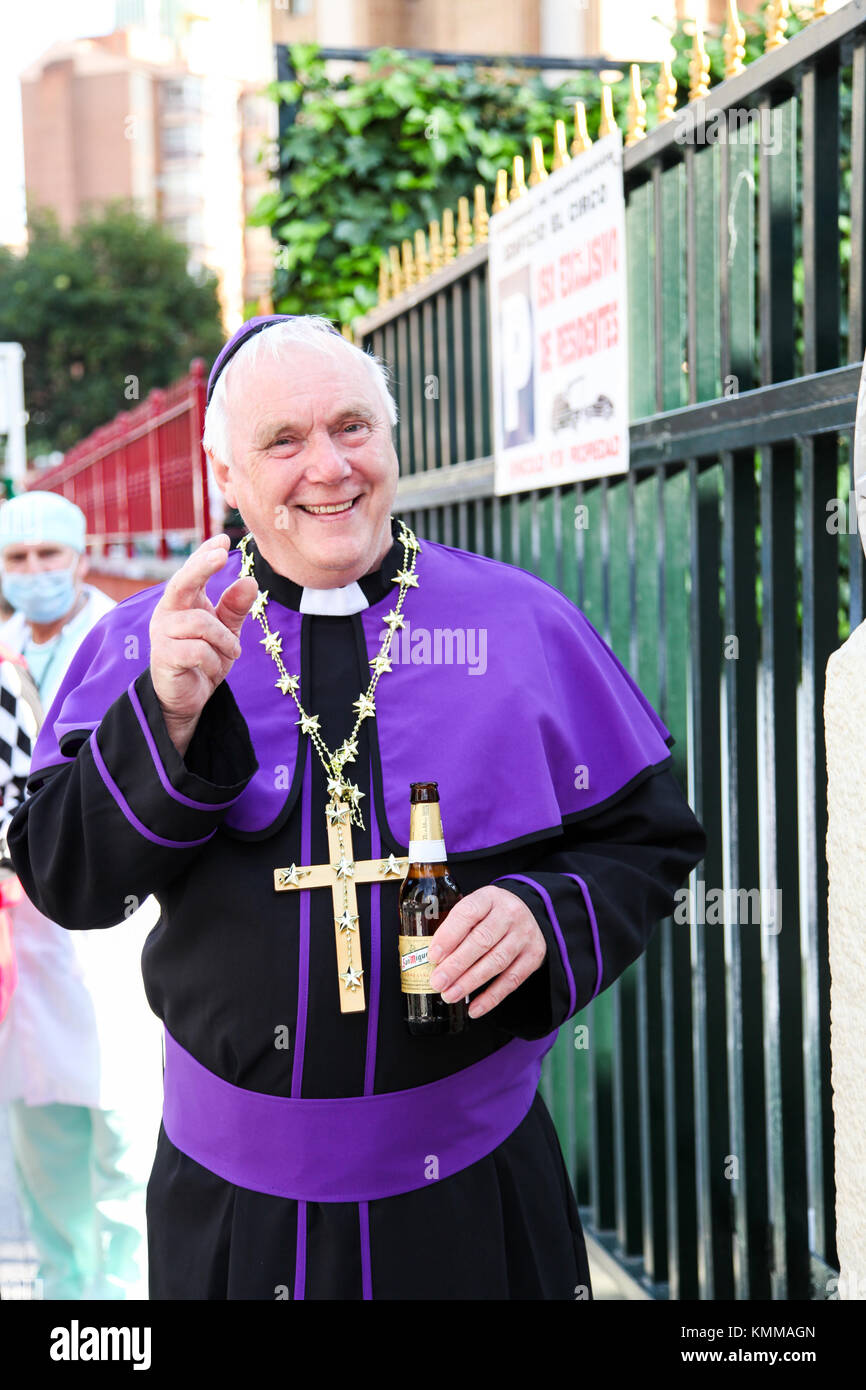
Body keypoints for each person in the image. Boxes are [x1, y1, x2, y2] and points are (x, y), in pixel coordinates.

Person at [8, 316, 706, 1301]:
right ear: (225, 472)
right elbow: (68, 879)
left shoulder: (518, 623)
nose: (327, 467)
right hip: (230, 1210)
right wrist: (164, 713)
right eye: (283, 442)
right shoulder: (148, 642)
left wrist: (544, 915)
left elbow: (648, 840)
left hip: (473, 1193)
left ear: (389, 440)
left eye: (351, 427)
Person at [0, 493, 162, 1300]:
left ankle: (126, 1302)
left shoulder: (126, 639)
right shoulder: (2, 658)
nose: (34, 574)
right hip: (22, 935)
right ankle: (66, 1301)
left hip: (113, 926)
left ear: (80, 552)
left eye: (48, 557)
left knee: (127, 1131)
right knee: (41, 1133)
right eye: (18, 561)